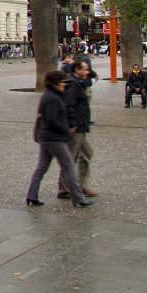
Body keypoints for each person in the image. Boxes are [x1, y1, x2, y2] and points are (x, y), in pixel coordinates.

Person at [26, 71, 91, 208]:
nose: (64, 84)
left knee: (42, 167)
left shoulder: (50, 95)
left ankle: (32, 195)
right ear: (55, 83)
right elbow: (52, 120)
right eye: (62, 82)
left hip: (46, 137)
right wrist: (66, 129)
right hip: (53, 139)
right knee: (68, 166)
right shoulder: (52, 98)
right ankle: (78, 197)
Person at [58, 59, 97, 199]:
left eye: (87, 69)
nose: (87, 72)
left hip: (82, 126)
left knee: (87, 153)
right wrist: (72, 124)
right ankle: (64, 188)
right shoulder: (72, 83)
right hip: (75, 128)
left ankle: (82, 185)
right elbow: (69, 105)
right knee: (70, 158)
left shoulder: (78, 82)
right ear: (76, 70)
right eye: (85, 69)